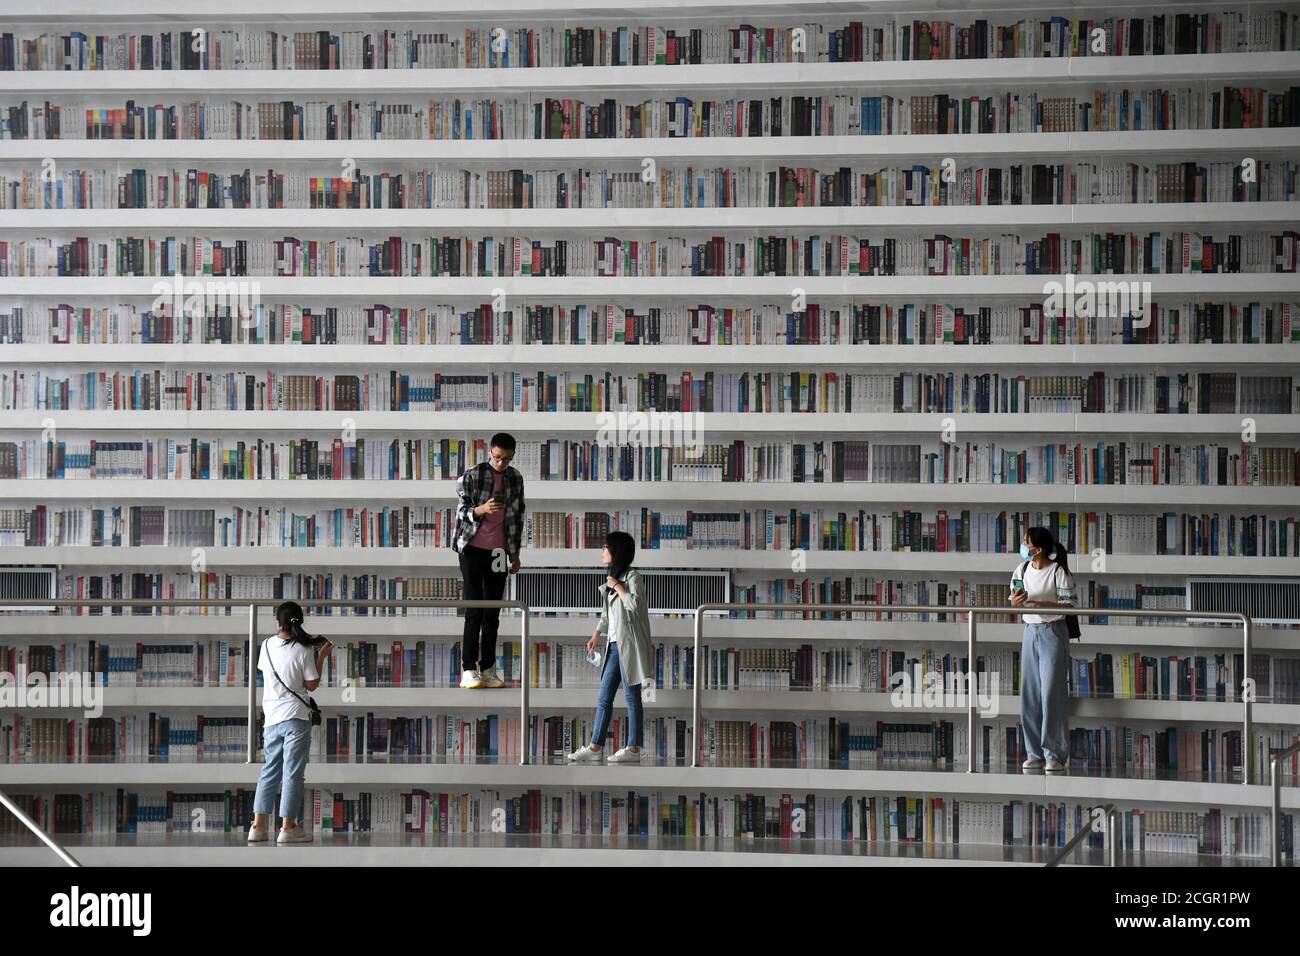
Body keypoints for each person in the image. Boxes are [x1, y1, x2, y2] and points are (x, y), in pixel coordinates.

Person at [249, 601, 333, 844]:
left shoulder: (265, 646)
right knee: (292, 773)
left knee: (269, 771)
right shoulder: (305, 649)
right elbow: (311, 685)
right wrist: (322, 657)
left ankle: (258, 826)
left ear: (278, 622)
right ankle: (288, 828)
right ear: (299, 621)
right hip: (295, 717)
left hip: (272, 719)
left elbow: (268, 674)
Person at [568, 531, 653, 764]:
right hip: (614, 646)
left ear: (617, 551)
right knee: (604, 697)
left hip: (630, 647)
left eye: (606, 547)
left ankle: (633, 748)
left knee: (632, 697)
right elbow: (607, 615)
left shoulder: (632, 577)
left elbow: (636, 606)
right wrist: (596, 633)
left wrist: (619, 587)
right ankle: (595, 746)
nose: (602, 551)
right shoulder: (611, 579)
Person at [452, 433, 525, 689]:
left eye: (506, 459)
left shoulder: (515, 478)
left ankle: (489, 668)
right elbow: (460, 511)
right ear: (489, 453)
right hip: (472, 549)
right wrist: (481, 510)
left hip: (498, 552)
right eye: (497, 457)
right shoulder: (472, 475)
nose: (501, 463)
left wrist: (514, 554)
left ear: (512, 456)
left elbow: (517, 518)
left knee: (493, 612)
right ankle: (468, 669)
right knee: (474, 609)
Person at [1009, 526, 1076, 774]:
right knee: (1030, 695)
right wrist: (1015, 602)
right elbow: (1013, 599)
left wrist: (1042, 603)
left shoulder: (1058, 571)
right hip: (1030, 631)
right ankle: (1034, 753)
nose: (1024, 546)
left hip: (1053, 631)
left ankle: (1055, 754)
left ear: (1039, 548)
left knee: (1051, 694)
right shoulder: (1022, 569)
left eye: (1026, 542)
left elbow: (1070, 605)